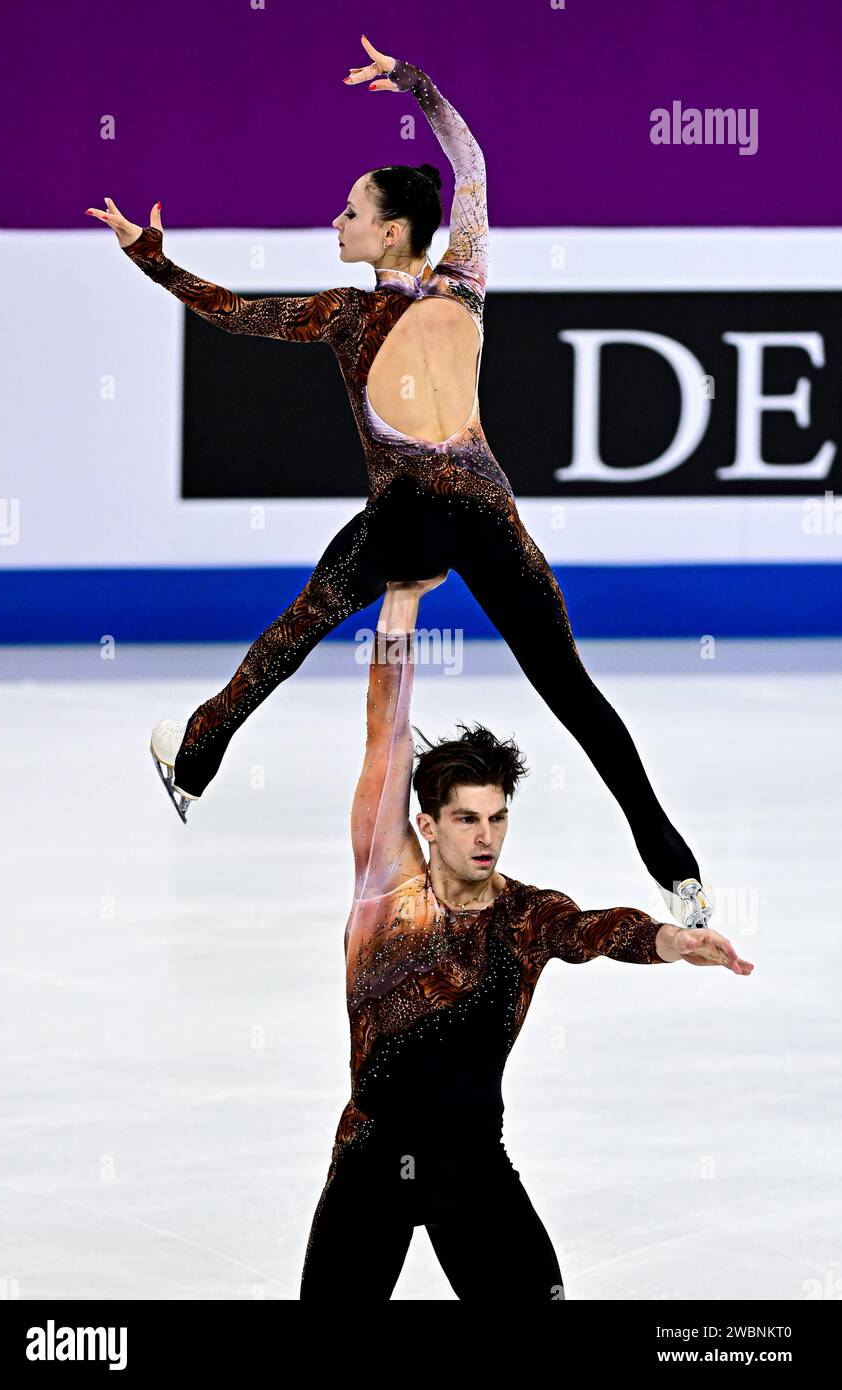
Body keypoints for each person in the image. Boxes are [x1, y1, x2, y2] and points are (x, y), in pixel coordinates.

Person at [86, 34, 712, 924]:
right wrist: (413, 82)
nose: (334, 222)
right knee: (571, 687)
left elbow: (229, 312)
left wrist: (151, 258)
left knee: (299, 625)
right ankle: (677, 871)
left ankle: (194, 755)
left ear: (389, 230)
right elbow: (474, 163)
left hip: (410, 515)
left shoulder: (346, 314)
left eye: (349, 212)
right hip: (490, 513)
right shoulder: (466, 280)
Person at [298, 573, 752, 1300]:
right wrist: (404, 600)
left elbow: (597, 930)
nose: (487, 837)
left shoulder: (525, 915)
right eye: (468, 819)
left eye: (498, 817)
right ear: (427, 825)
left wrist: (672, 939)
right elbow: (386, 725)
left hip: (472, 1166)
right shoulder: (387, 886)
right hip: (369, 1165)